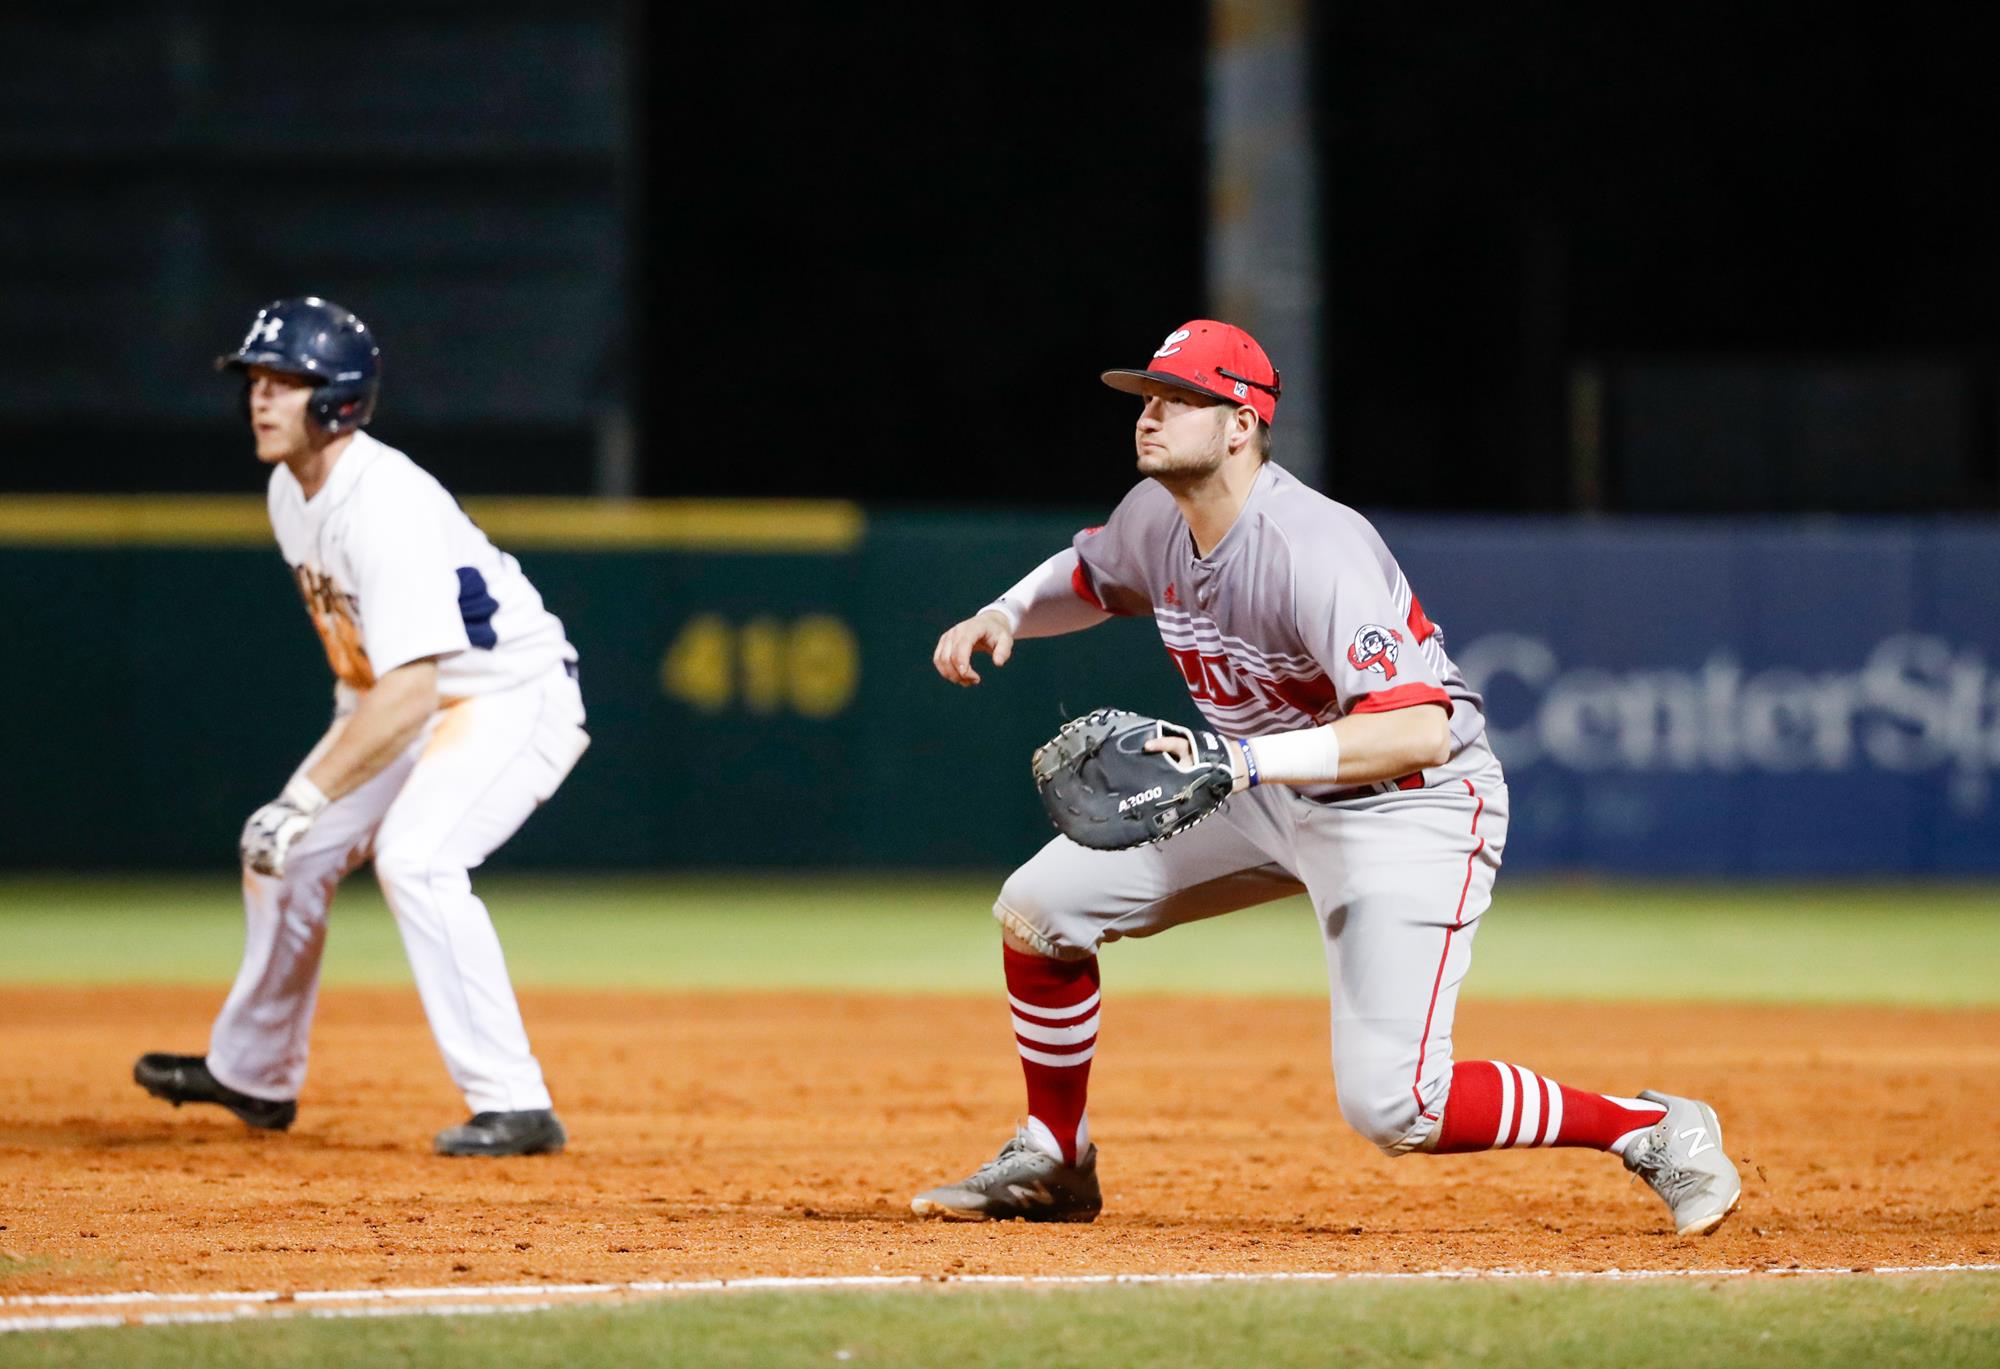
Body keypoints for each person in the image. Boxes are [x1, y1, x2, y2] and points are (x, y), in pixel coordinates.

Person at [912, 320, 1741, 1234]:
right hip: (1265, 786)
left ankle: (1654, 1128)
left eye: (1175, 397)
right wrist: (1005, 611)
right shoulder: (1158, 516)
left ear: (1239, 422)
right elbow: (1094, 570)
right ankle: (1055, 1156)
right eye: (1145, 396)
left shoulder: (1313, 545)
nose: (1148, 414)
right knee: (1040, 910)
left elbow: (1419, 728)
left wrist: (1246, 760)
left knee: (1398, 1108)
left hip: (1409, 807)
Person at [134, 297, 589, 1157]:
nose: (262, 399)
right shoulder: (289, 490)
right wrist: (309, 806)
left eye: (286, 382)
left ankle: (516, 1102)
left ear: (338, 398)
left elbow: (413, 688)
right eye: (256, 381)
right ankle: (254, 1073)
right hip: (406, 699)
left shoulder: (386, 503)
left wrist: (309, 790)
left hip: (508, 695)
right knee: (281, 848)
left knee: (419, 857)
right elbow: (367, 666)